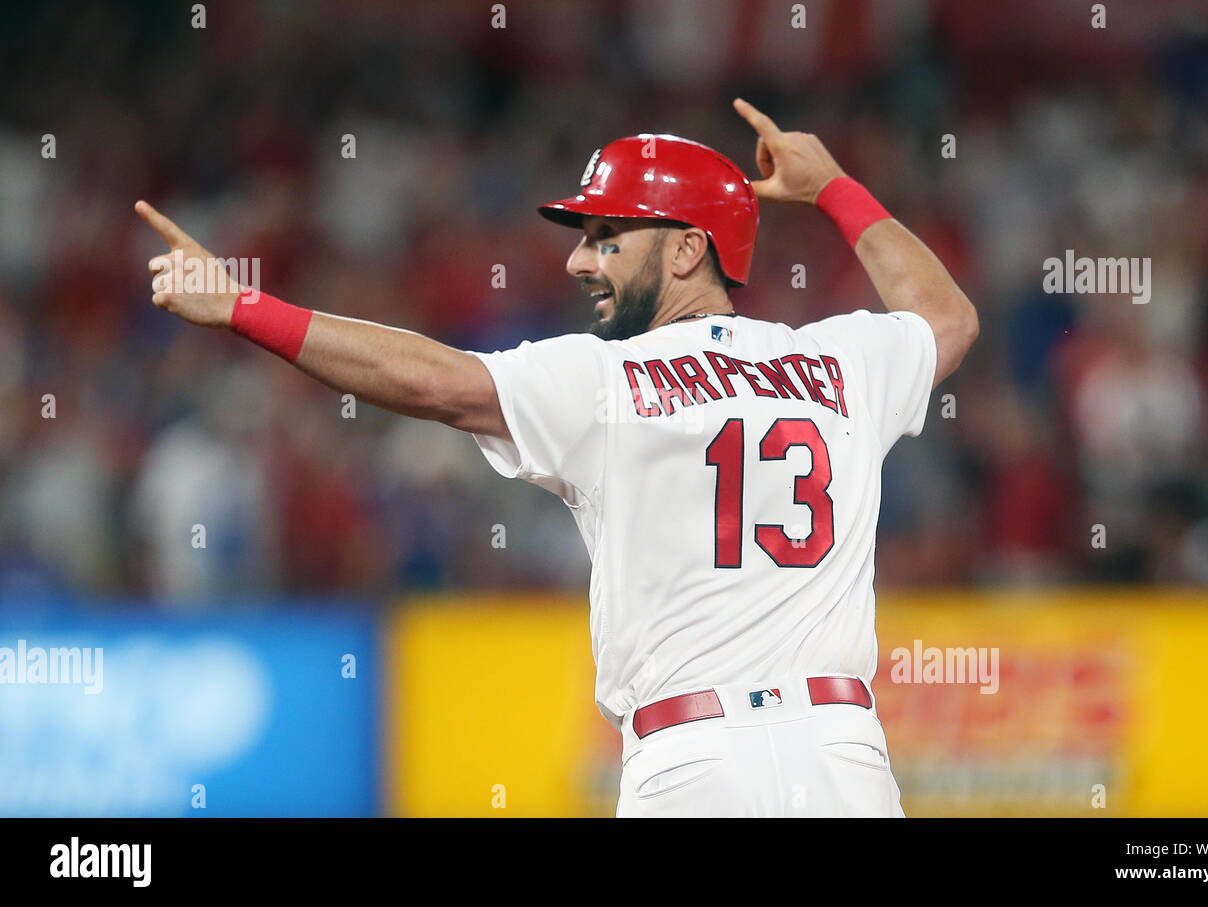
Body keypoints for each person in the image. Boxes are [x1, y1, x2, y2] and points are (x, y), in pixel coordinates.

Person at [136, 98, 978, 817]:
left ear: (687, 250)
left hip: (694, 762)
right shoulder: (836, 361)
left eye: (609, 236)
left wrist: (246, 305)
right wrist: (832, 186)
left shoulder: (605, 377)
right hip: (843, 758)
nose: (580, 258)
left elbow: (432, 381)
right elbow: (946, 317)